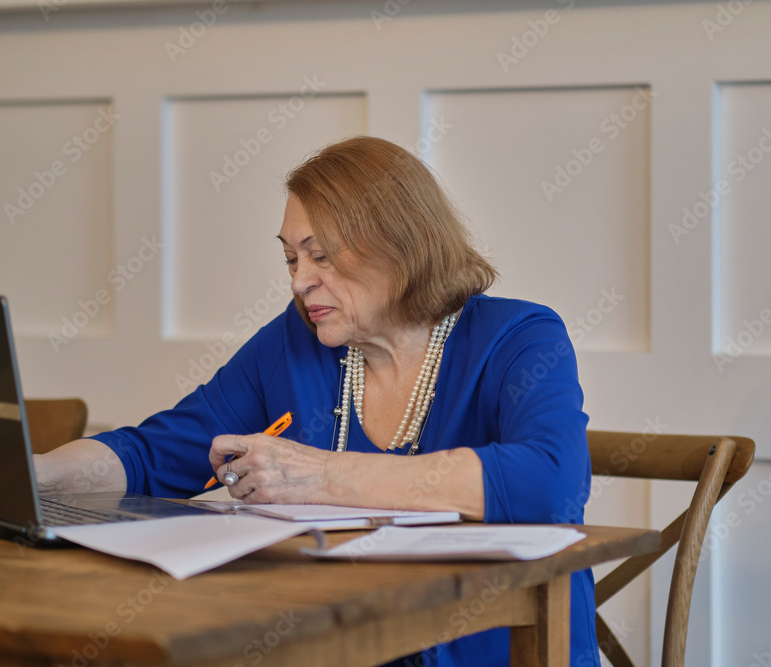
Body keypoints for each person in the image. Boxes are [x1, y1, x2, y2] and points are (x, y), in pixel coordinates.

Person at [34, 136, 599, 667]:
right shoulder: (296, 339)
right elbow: (154, 453)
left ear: (401, 245)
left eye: (320, 256)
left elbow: (552, 484)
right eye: (290, 259)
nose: (300, 282)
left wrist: (322, 476)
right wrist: (35, 471)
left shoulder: (518, 336)